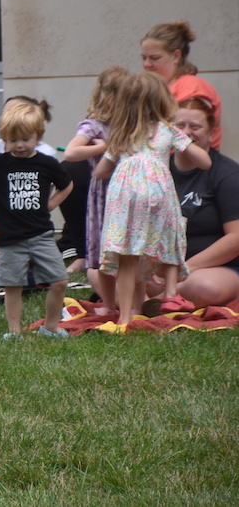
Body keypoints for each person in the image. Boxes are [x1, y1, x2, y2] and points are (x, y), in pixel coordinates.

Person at [95, 72, 211, 328]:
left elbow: (100, 172)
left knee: (127, 258)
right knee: (168, 240)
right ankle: (170, 293)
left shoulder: (120, 134)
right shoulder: (167, 130)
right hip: (156, 198)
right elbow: (205, 162)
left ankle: (125, 318)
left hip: (125, 199)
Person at [0, 99, 74, 339]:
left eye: (26, 139)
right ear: (4, 138)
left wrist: (49, 205)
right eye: (12, 140)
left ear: (38, 136)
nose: (19, 145)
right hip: (10, 239)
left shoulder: (46, 163)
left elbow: (67, 185)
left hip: (41, 236)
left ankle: (51, 327)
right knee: (13, 287)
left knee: (60, 281)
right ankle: (14, 332)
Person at [62, 66, 132, 315]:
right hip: (105, 196)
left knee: (130, 252)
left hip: (131, 194)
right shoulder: (94, 126)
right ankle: (110, 305)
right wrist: (102, 147)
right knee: (105, 254)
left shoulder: (133, 124)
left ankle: (132, 303)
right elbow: (71, 153)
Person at [166, 98, 239, 308]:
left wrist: (186, 268)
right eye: (179, 126)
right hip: (164, 266)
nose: (186, 133)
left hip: (219, 269)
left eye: (195, 127)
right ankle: (164, 298)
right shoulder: (158, 169)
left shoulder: (227, 174)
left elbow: (236, 239)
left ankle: (152, 301)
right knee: (101, 273)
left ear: (212, 132)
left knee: (204, 287)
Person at [140, 20, 222, 149]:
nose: (146, 65)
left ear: (176, 56)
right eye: (144, 58)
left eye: (154, 58)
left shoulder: (193, 88)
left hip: (193, 165)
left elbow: (193, 139)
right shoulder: (153, 90)